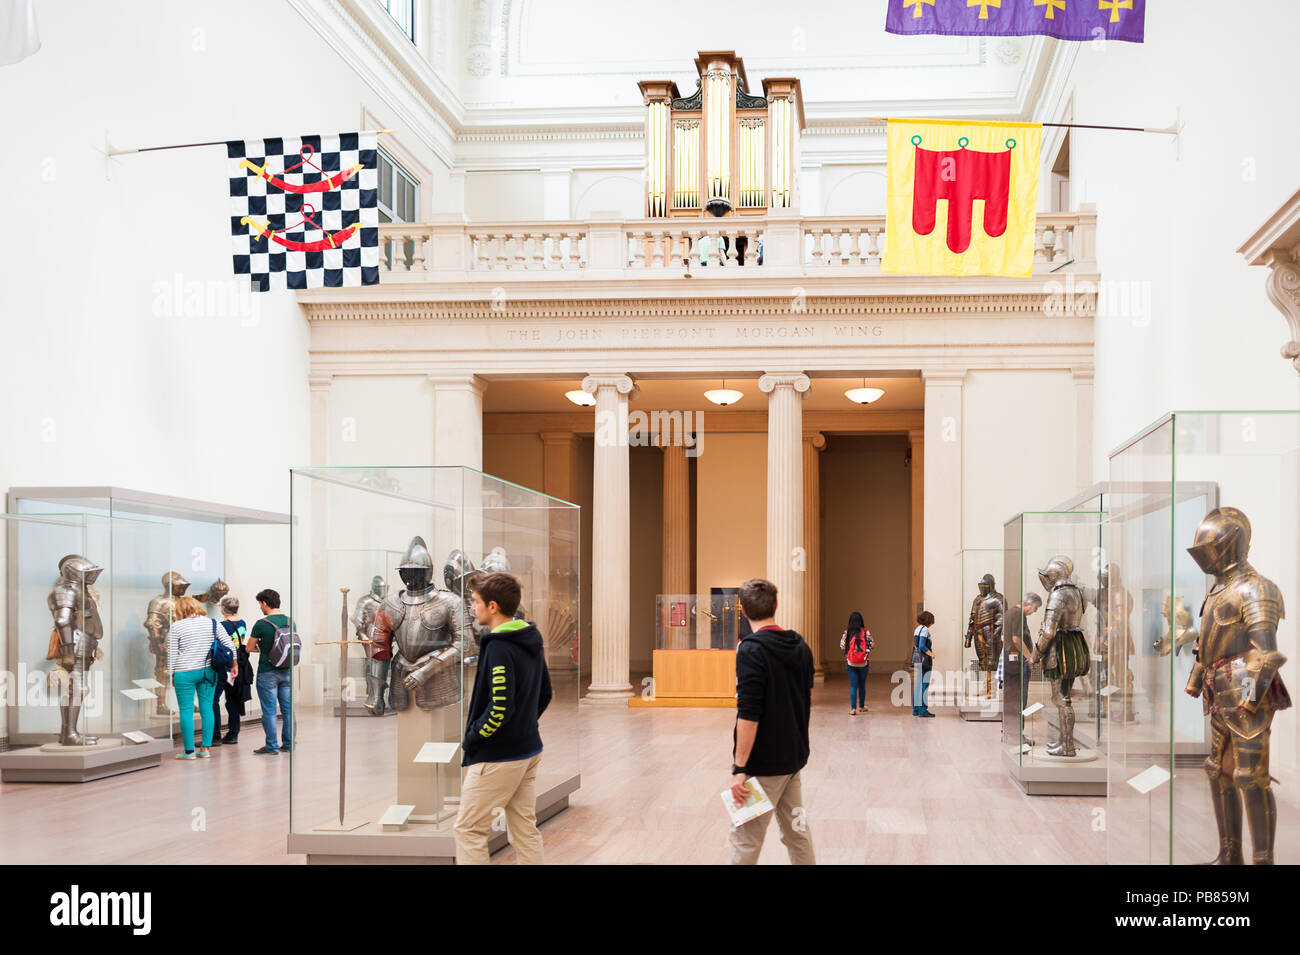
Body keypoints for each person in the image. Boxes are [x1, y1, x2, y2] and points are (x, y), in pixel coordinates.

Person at [453, 572, 552, 865]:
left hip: (499, 755)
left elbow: (499, 708)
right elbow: (545, 692)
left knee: (468, 830)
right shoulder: (530, 638)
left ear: (493, 606)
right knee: (524, 830)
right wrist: (524, 726)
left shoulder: (498, 646)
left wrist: (473, 737)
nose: (473, 608)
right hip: (528, 749)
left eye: (476, 602)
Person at [727, 578, 816, 866]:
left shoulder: (751, 650)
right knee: (797, 834)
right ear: (776, 605)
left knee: (745, 839)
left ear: (742, 610)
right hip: (793, 761)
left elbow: (749, 714)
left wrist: (740, 768)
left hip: (762, 766)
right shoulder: (800, 646)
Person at [168, 595, 236, 759]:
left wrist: (171, 674)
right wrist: (235, 665)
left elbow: (172, 654)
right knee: (207, 708)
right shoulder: (212, 623)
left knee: (186, 710)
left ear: (179, 610)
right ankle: (205, 749)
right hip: (208, 671)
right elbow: (229, 645)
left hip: (184, 672)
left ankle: (189, 751)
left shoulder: (176, 626)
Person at [247, 588, 293, 755]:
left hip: (267, 672)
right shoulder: (290, 621)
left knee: (270, 710)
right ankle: (289, 744)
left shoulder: (262, 624)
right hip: (287, 670)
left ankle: (272, 746)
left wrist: (266, 649)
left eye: (260, 604)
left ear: (264, 603)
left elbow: (249, 647)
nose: (260, 607)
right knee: (288, 710)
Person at [211, 596, 252, 744]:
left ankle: (215, 735)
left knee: (214, 699)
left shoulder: (221, 625)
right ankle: (233, 733)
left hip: (226, 663)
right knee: (233, 700)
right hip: (240, 663)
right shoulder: (242, 623)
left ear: (223, 609)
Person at [838, 611, 873, 714]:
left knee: (853, 685)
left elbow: (842, 646)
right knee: (862, 685)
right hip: (863, 663)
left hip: (851, 663)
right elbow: (871, 646)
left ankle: (853, 709)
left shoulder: (847, 632)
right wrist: (865, 653)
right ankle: (861, 707)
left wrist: (849, 654)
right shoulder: (866, 632)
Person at [912, 610, 936, 717]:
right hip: (924, 660)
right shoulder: (925, 630)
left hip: (917, 659)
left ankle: (916, 709)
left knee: (918, 684)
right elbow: (922, 645)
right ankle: (923, 710)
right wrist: (930, 654)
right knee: (924, 685)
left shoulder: (917, 629)